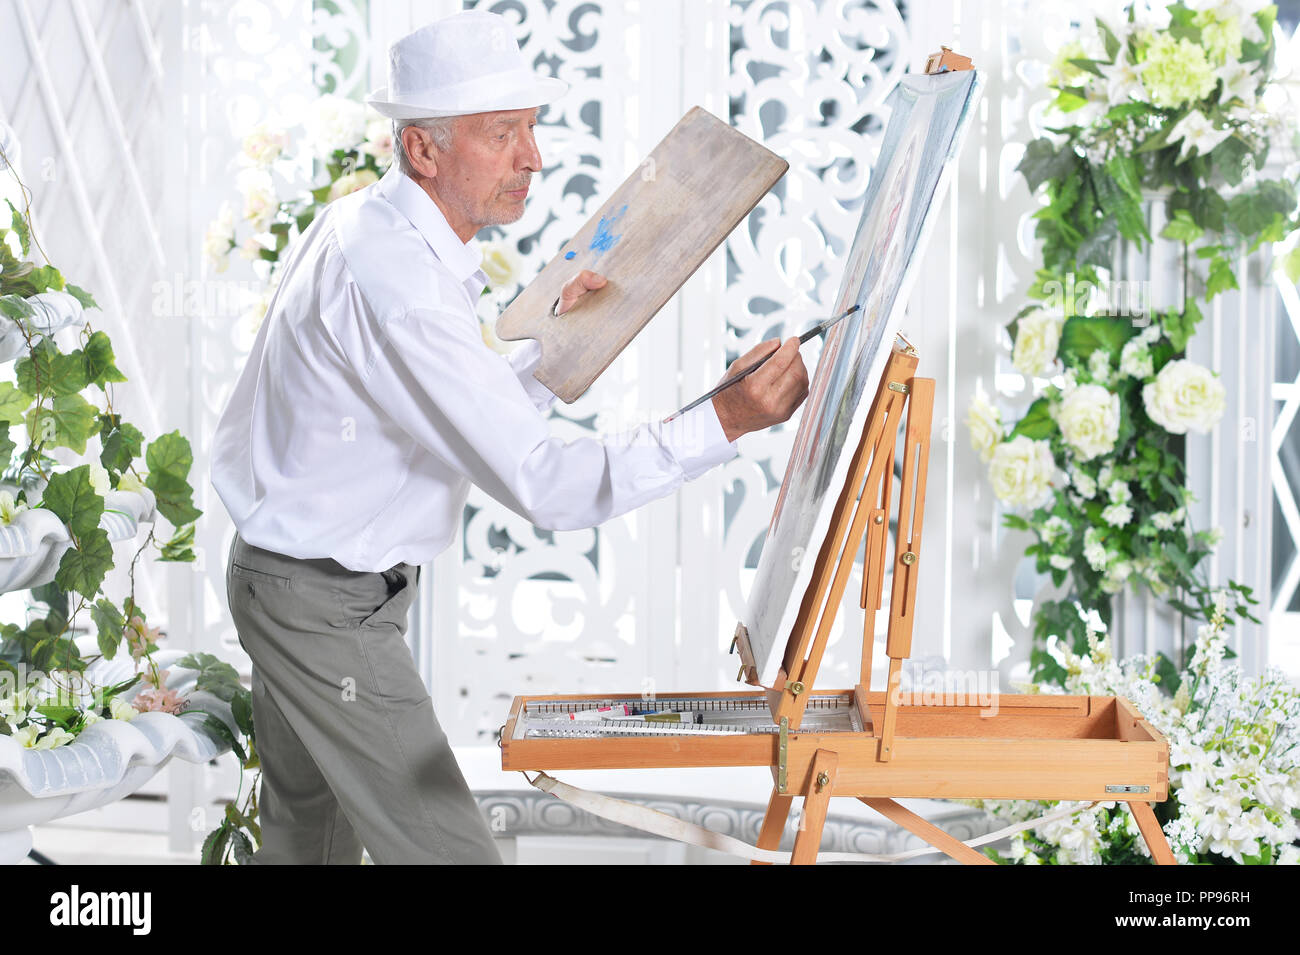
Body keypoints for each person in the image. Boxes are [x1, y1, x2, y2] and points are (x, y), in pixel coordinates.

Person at [209, 8, 809, 865]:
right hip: (320, 606)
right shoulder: (403, 282)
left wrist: (550, 335)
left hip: (298, 586)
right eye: (502, 135)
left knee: (310, 852)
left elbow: (430, 401)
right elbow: (545, 483)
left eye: (531, 127)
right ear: (422, 149)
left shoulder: (374, 229)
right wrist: (726, 420)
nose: (534, 157)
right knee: (450, 854)